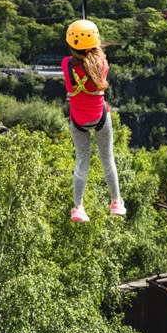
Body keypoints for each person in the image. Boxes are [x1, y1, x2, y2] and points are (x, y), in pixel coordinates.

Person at [62, 19, 126, 222]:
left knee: (82, 160)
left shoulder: (66, 64)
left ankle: (78, 207)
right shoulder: (102, 65)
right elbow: (97, 55)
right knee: (107, 158)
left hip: (78, 121)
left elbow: (76, 59)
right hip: (99, 118)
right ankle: (116, 201)